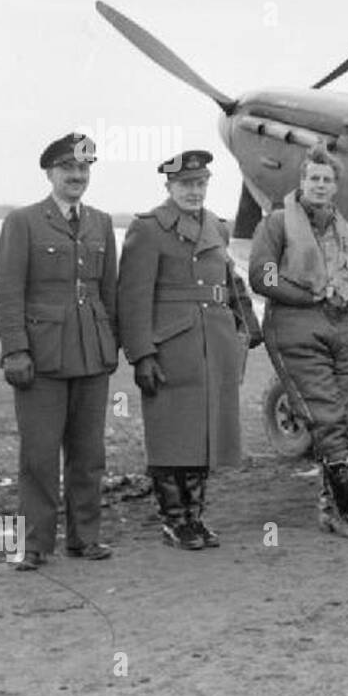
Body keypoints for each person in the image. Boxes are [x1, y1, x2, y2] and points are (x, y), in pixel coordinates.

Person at [120, 150, 263, 549]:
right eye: (186, 185)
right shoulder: (147, 229)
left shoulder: (216, 226)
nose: (194, 191)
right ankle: (173, 520)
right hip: (172, 347)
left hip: (214, 345)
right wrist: (141, 354)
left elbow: (229, 279)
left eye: (200, 184)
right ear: (169, 187)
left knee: (205, 435)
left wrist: (248, 321)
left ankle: (195, 518)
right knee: (170, 434)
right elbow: (132, 298)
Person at [0, 132, 118, 570]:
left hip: (91, 355)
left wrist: (111, 346)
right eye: (69, 169)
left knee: (88, 455)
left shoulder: (101, 223)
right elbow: (8, 292)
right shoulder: (23, 222)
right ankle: (33, 543)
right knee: (39, 455)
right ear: (51, 173)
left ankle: (84, 538)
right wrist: (15, 351)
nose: (77, 176)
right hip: (41, 358)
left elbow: (110, 291)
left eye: (83, 169)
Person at [249, 146, 348, 539]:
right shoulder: (277, 223)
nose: (320, 186)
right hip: (296, 328)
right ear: (302, 181)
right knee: (326, 419)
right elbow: (263, 276)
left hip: (341, 330)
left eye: (327, 180)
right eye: (314, 178)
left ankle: (332, 510)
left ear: (336, 186)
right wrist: (310, 295)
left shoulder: (344, 230)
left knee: (341, 421)